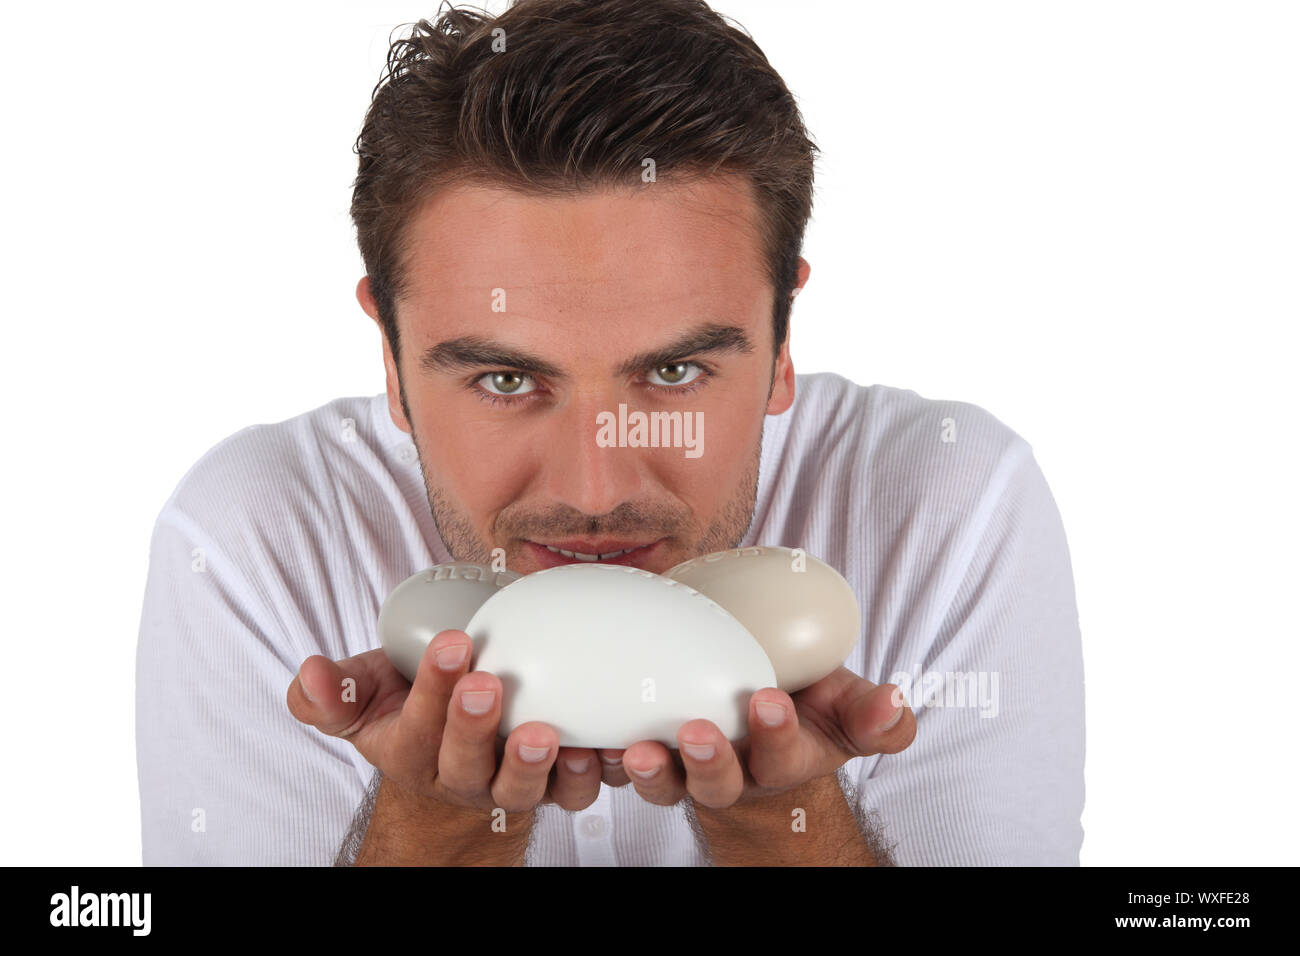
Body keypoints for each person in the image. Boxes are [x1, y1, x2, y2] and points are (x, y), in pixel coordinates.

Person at [135, 0, 1084, 866]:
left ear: (783, 343)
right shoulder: (254, 536)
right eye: (506, 380)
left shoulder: (951, 504)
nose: (595, 493)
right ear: (390, 357)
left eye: (673, 373)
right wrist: (432, 830)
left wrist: (781, 825)